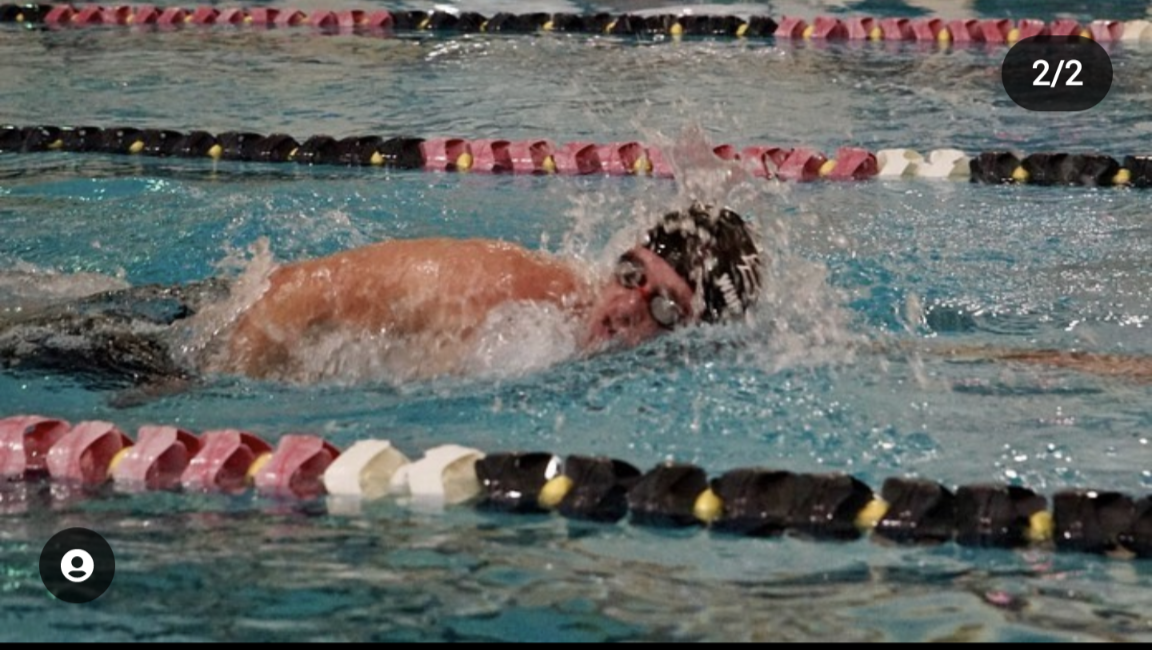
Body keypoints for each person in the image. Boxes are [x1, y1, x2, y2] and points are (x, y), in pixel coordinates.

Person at [0, 202, 764, 389]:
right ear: (619, 260)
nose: (629, 308)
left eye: (664, 310)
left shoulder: (560, 339)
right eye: (633, 280)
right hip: (207, 328)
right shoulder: (511, 292)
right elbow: (303, 291)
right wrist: (191, 381)